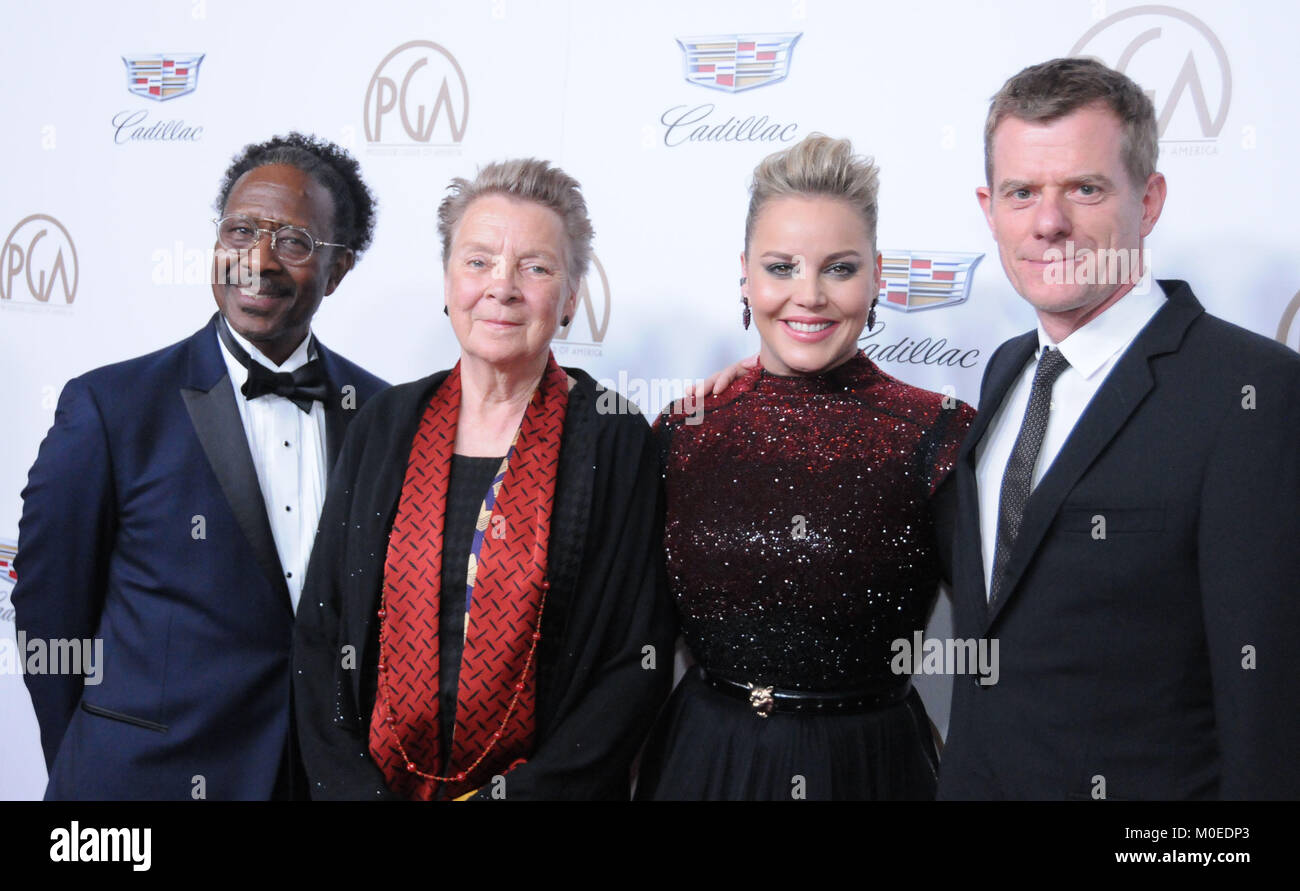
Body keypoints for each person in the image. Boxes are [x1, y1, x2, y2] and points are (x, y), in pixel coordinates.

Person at [937, 58, 1300, 799]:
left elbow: (1267, 700)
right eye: (1022, 192)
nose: (1049, 223)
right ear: (989, 208)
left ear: (1150, 199)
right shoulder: (1007, 369)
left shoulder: (1251, 390)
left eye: (1085, 188)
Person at [12, 133, 388, 800]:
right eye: (240, 230)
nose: (258, 260)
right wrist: (89, 755)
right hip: (138, 785)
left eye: (294, 241)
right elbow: (51, 613)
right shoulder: (111, 407)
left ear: (338, 270)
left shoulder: (382, 416)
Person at [293, 158, 675, 801]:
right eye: (478, 261)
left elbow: (633, 663)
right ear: (449, 281)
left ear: (571, 299)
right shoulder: (384, 423)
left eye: (536, 267)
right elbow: (322, 634)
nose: (503, 287)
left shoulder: (615, 436)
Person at [635, 134, 975, 801]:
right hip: (701, 763)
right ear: (745, 274)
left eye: (839, 268)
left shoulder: (936, 432)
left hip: (869, 769)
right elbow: (627, 642)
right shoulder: (685, 430)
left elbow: (1014, 642)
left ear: (876, 275)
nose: (809, 295)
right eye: (782, 267)